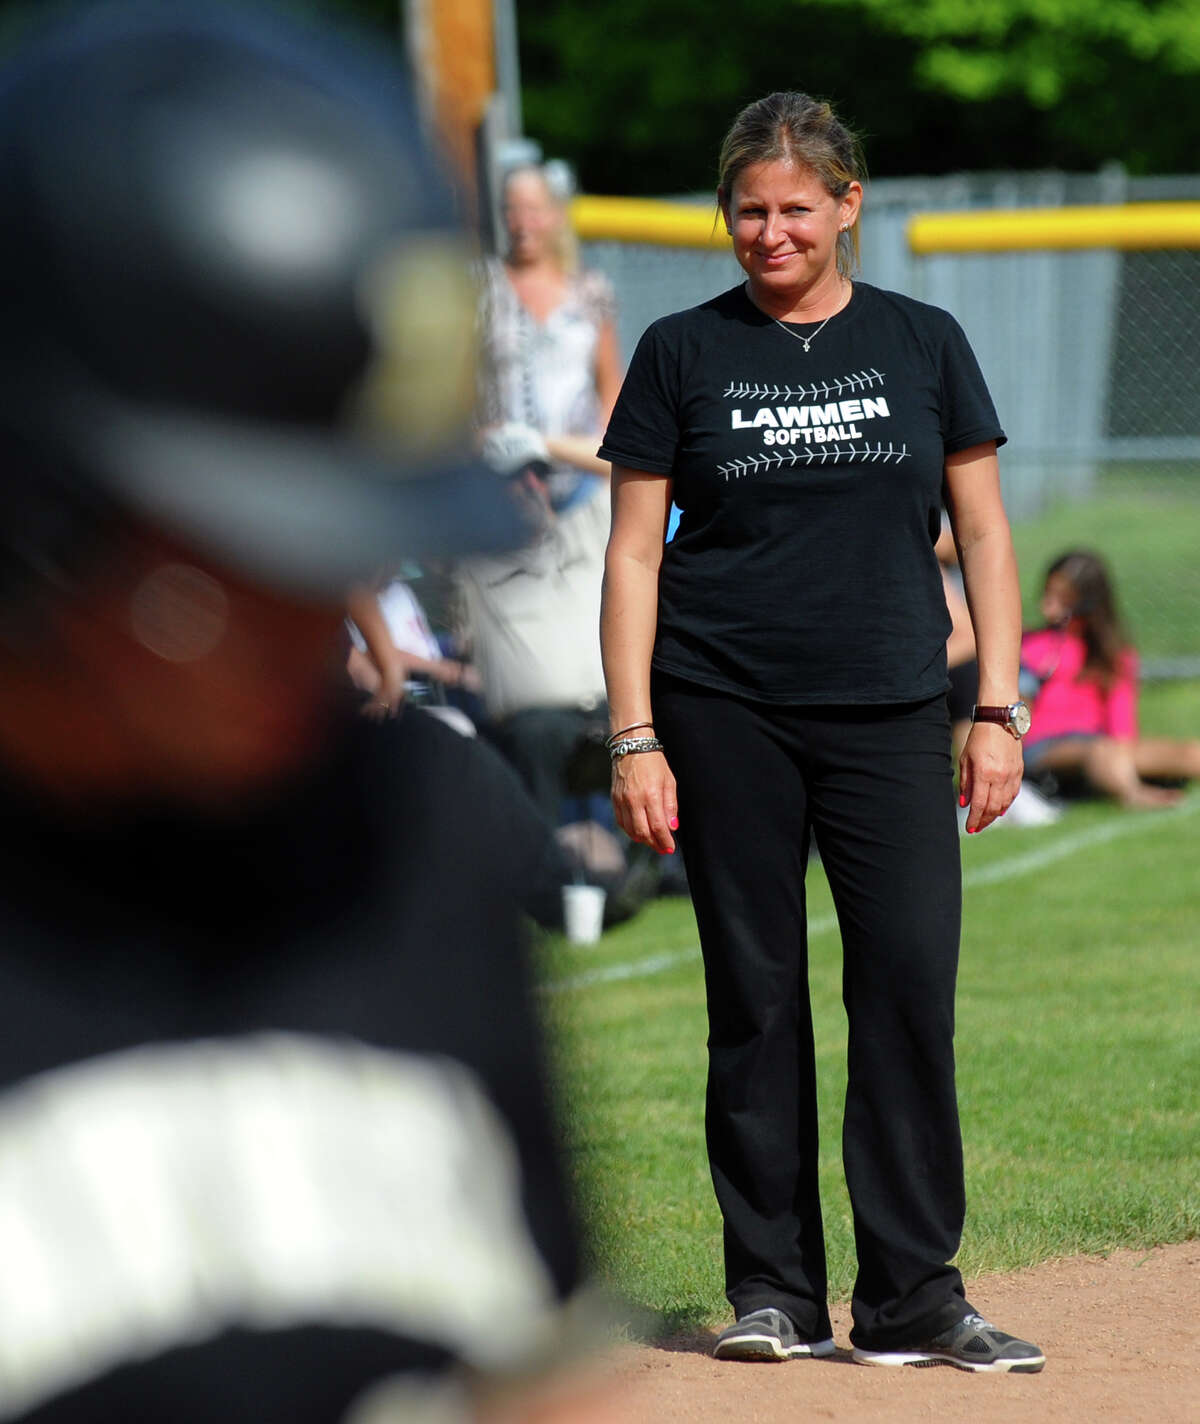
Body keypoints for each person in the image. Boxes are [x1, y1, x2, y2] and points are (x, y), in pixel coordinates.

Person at [0, 6, 617, 1420]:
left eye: (335, 559)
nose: (313, 640)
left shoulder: (402, 837)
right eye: (231, 573)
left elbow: (534, 1369)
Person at [598, 91, 1044, 1373]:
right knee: (755, 997)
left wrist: (997, 709)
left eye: (797, 206)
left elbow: (990, 536)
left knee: (906, 984)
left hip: (896, 708)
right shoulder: (683, 351)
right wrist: (635, 734)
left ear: (850, 205)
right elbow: (633, 556)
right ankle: (773, 1290)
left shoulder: (923, 339)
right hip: (720, 706)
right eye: (749, 208)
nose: (770, 230)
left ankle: (914, 1300)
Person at [476, 163, 622, 505]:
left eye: (533, 210)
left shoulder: (589, 290)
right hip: (504, 477)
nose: (522, 222)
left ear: (555, 215)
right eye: (512, 210)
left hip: (580, 475)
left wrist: (610, 447)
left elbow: (609, 383)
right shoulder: (482, 285)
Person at [1021, 550, 1200, 808]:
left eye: (1062, 597)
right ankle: (1135, 795)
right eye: (1048, 593)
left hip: (1101, 743)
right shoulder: (1032, 645)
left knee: (1188, 752)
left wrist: (1128, 750)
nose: (1047, 605)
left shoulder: (1114, 653)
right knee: (1103, 752)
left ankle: (1135, 777)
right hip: (1044, 745)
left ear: (1086, 600)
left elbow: (1122, 726)